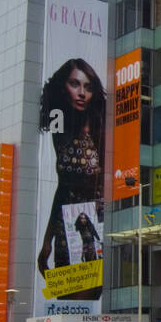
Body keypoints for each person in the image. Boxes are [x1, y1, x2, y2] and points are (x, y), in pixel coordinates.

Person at [37, 58, 106, 302]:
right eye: (75, 84)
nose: (81, 93)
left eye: (87, 87)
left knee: (87, 300)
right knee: (68, 303)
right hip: (67, 227)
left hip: (97, 224)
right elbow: (62, 187)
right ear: (62, 87)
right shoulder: (62, 133)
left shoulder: (101, 128)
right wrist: (47, 240)